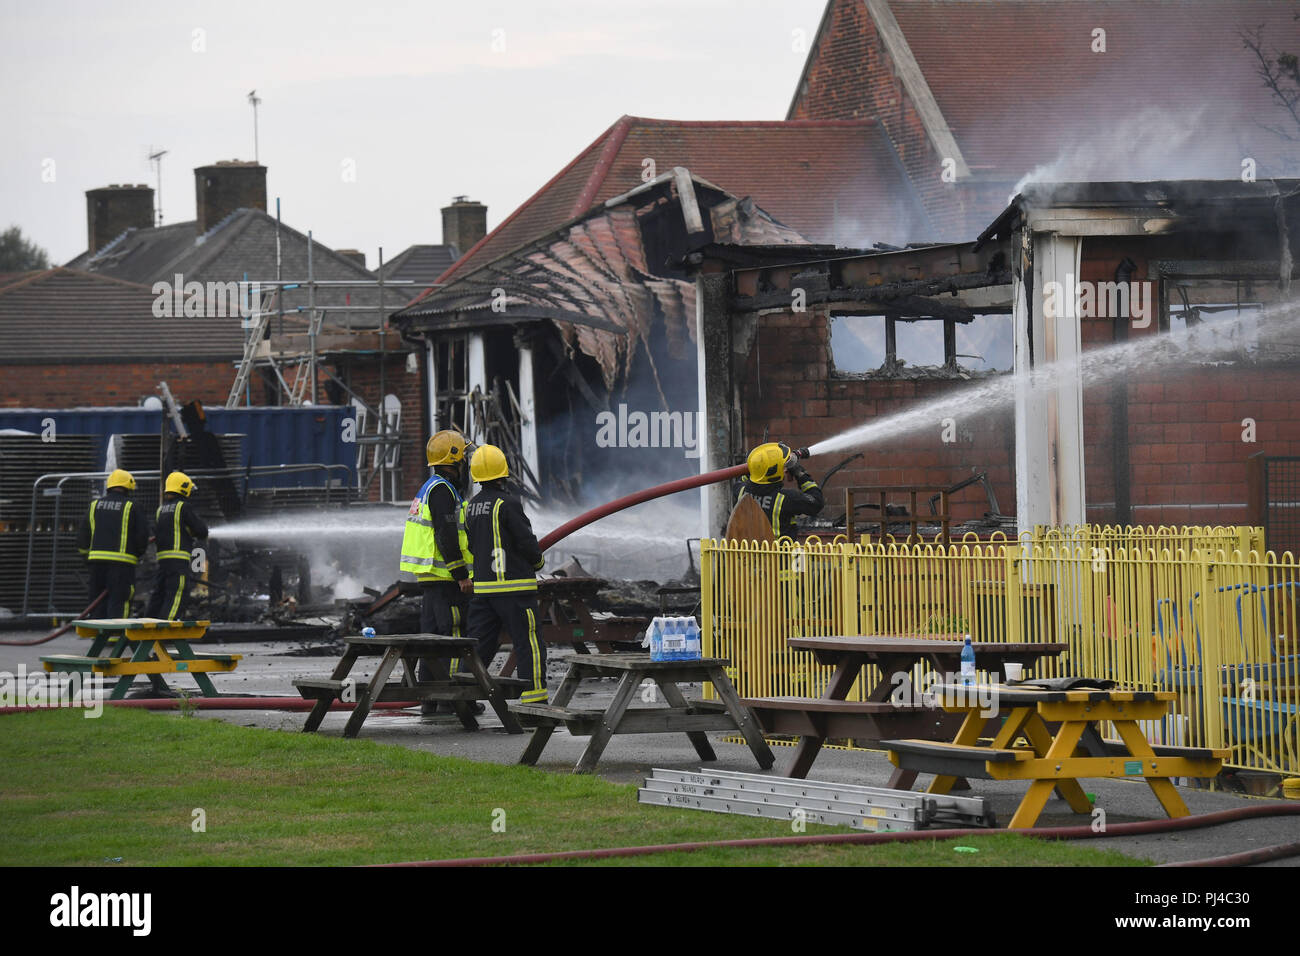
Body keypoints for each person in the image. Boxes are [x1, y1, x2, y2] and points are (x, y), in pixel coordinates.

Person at [464, 444, 548, 707]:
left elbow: (470, 546)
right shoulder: (508, 503)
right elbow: (526, 542)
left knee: (479, 647)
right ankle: (535, 702)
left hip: (484, 591)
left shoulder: (470, 507)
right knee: (528, 643)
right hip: (515, 589)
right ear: (504, 473)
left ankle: (463, 699)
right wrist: (538, 561)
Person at [399, 430, 476, 714]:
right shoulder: (443, 490)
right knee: (453, 637)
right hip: (446, 579)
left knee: (430, 638)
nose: (466, 463)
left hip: (432, 578)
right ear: (452, 461)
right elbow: (446, 535)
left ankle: (429, 698)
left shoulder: (429, 487)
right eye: (464, 457)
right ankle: (452, 699)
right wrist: (461, 575)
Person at [75, 469, 150, 618]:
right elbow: (142, 535)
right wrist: (138, 554)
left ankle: (98, 636)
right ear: (127, 487)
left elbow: (82, 536)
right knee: (119, 600)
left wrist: (86, 557)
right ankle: (115, 638)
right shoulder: (132, 506)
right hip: (121, 565)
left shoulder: (94, 506)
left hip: (96, 564)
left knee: (97, 601)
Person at [146, 471, 209, 620]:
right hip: (178, 560)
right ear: (183, 488)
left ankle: (148, 624)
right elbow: (202, 531)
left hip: (163, 560)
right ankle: (166, 629)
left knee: (159, 594)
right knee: (177, 595)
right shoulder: (183, 507)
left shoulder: (160, 510)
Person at [736, 442, 824, 540]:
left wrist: (758, 465)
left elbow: (745, 478)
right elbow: (817, 502)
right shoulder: (786, 499)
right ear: (776, 472)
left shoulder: (740, 491)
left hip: (749, 554)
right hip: (779, 554)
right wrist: (799, 473)